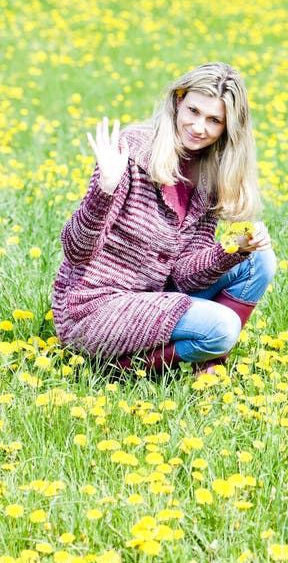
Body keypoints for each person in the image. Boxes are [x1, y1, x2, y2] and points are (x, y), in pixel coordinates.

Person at [52, 62, 276, 374]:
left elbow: (184, 275)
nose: (200, 127)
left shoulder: (208, 175)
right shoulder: (131, 150)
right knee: (222, 327)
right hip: (95, 307)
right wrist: (104, 189)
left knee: (258, 260)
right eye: (194, 111)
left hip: (152, 297)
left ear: (228, 128)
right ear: (177, 101)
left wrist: (233, 248)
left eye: (214, 120)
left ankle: (207, 356)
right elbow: (76, 250)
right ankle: (122, 368)